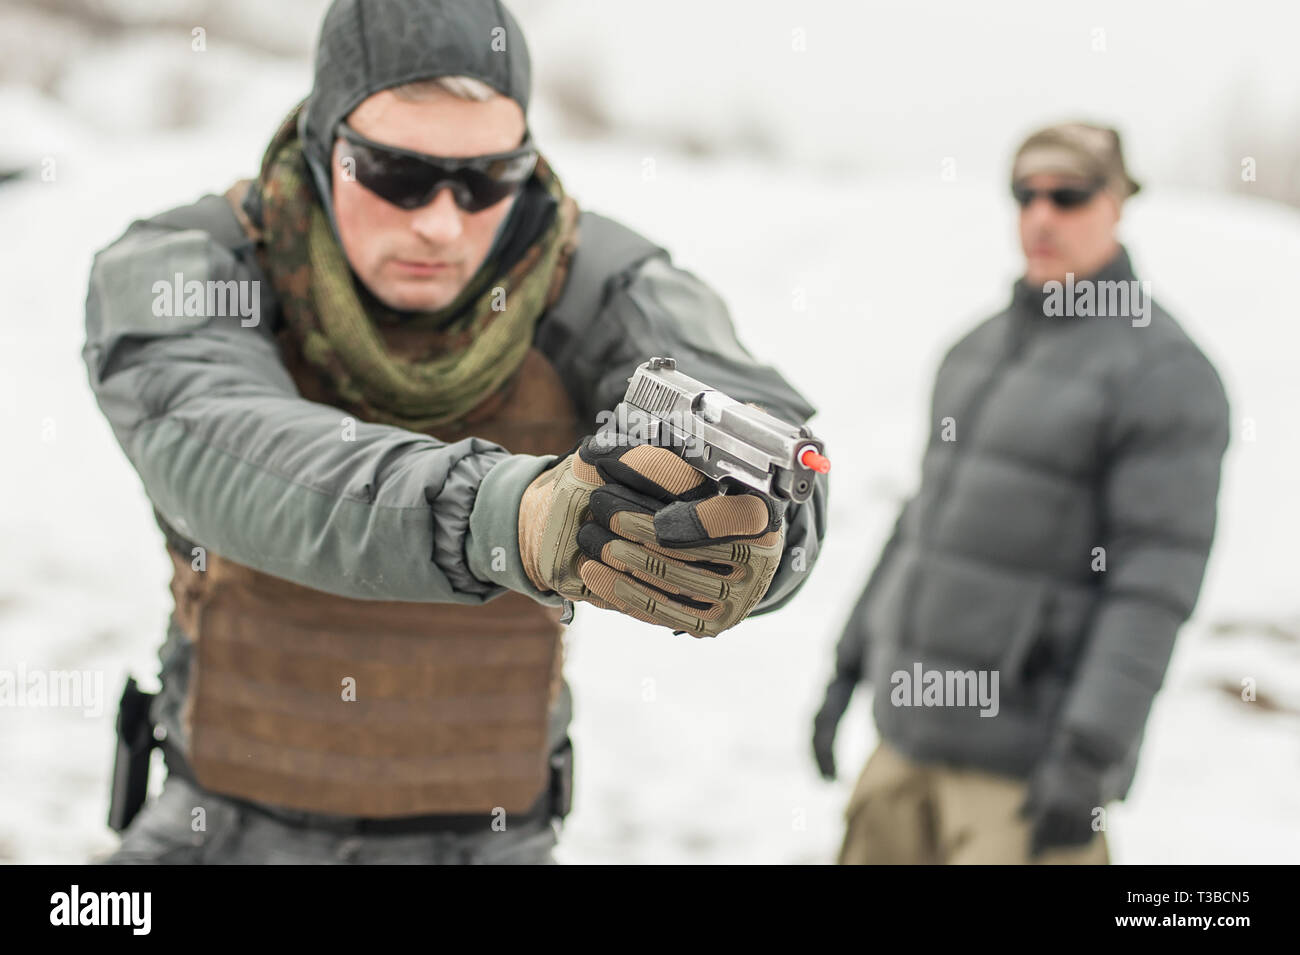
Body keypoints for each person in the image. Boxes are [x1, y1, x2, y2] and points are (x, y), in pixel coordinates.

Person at [83, 0, 827, 864]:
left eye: (485, 180)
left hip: (485, 840)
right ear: (324, 146)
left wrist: (760, 535)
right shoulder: (191, 263)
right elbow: (224, 446)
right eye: (396, 174)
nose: (441, 221)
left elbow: (753, 421)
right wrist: (513, 517)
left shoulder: (597, 282)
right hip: (226, 822)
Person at [812, 122, 1229, 865]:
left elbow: (1154, 584)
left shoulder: (1164, 374)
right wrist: (849, 665)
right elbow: (922, 526)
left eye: (1068, 195)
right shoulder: (973, 352)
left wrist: (1091, 753)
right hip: (905, 750)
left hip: (1024, 778)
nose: (1042, 216)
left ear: (1118, 203)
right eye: (1025, 194)